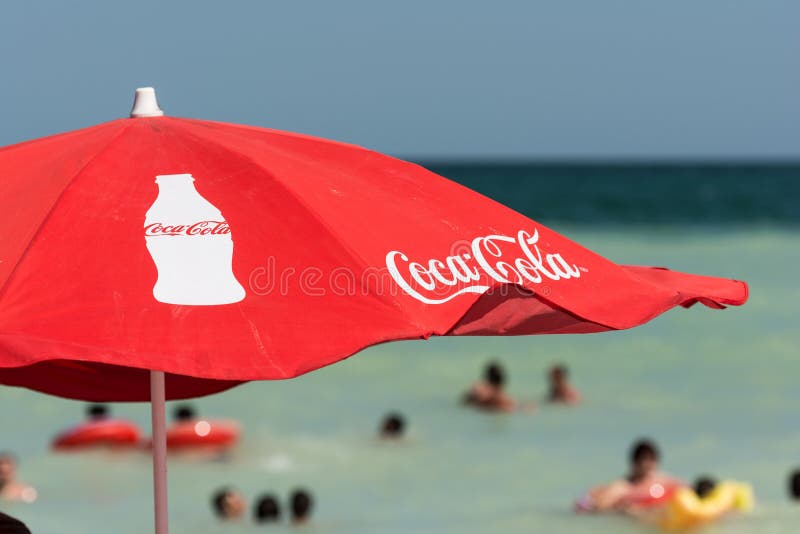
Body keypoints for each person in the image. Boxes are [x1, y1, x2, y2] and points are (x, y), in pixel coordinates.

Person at [578, 439, 681, 512]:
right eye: (643, 460)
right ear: (634, 463)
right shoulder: (623, 487)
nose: (647, 465)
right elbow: (599, 508)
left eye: (651, 460)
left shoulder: (662, 479)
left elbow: (686, 489)